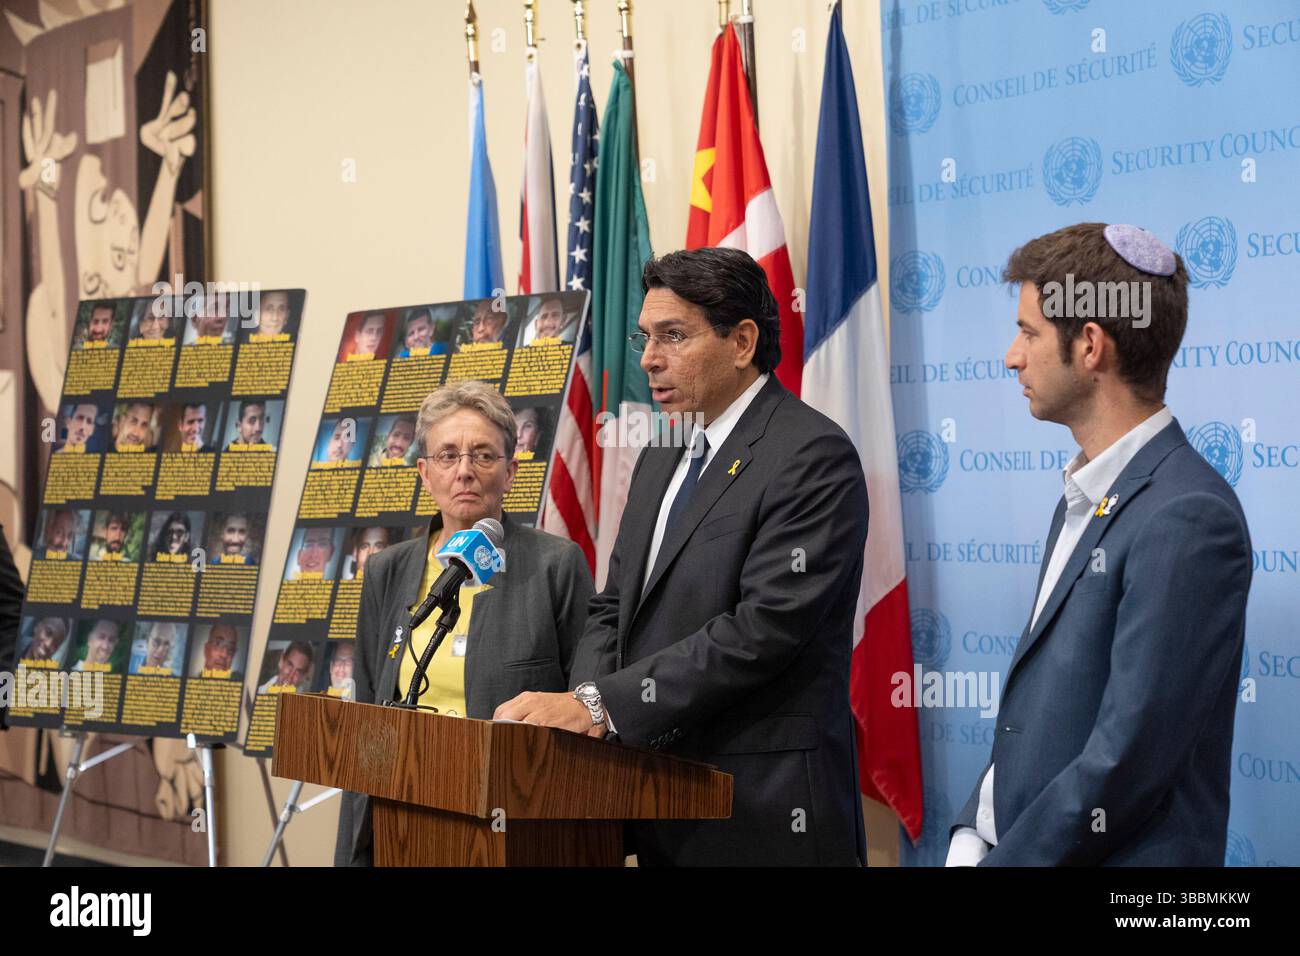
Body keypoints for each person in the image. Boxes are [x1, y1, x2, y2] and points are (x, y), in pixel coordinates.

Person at [494, 248, 870, 866]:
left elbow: (762, 631)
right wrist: (593, 715)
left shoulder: (811, 456)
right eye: (645, 338)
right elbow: (614, 605)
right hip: (648, 798)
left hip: (758, 813)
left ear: (742, 340)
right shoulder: (663, 454)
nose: (648, 359)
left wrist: (598, 707)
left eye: (674, 336)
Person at [944, 223, 1251, 867]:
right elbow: (1041, 713)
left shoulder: (1188, 515)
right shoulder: (1083, 494)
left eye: (1028, 332)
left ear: (1089, 345)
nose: (1012, 356)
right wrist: (974, 830)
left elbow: (1126, 760)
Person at [335, 380, 594, 866]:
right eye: (448, 456)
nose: (465, 472)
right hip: (406, 819)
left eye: (483, 456)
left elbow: (586, 708)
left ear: (512, 471)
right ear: (424, 473)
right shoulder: (387, 570)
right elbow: (369, 709)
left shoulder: (555, 565)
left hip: (518, 826)